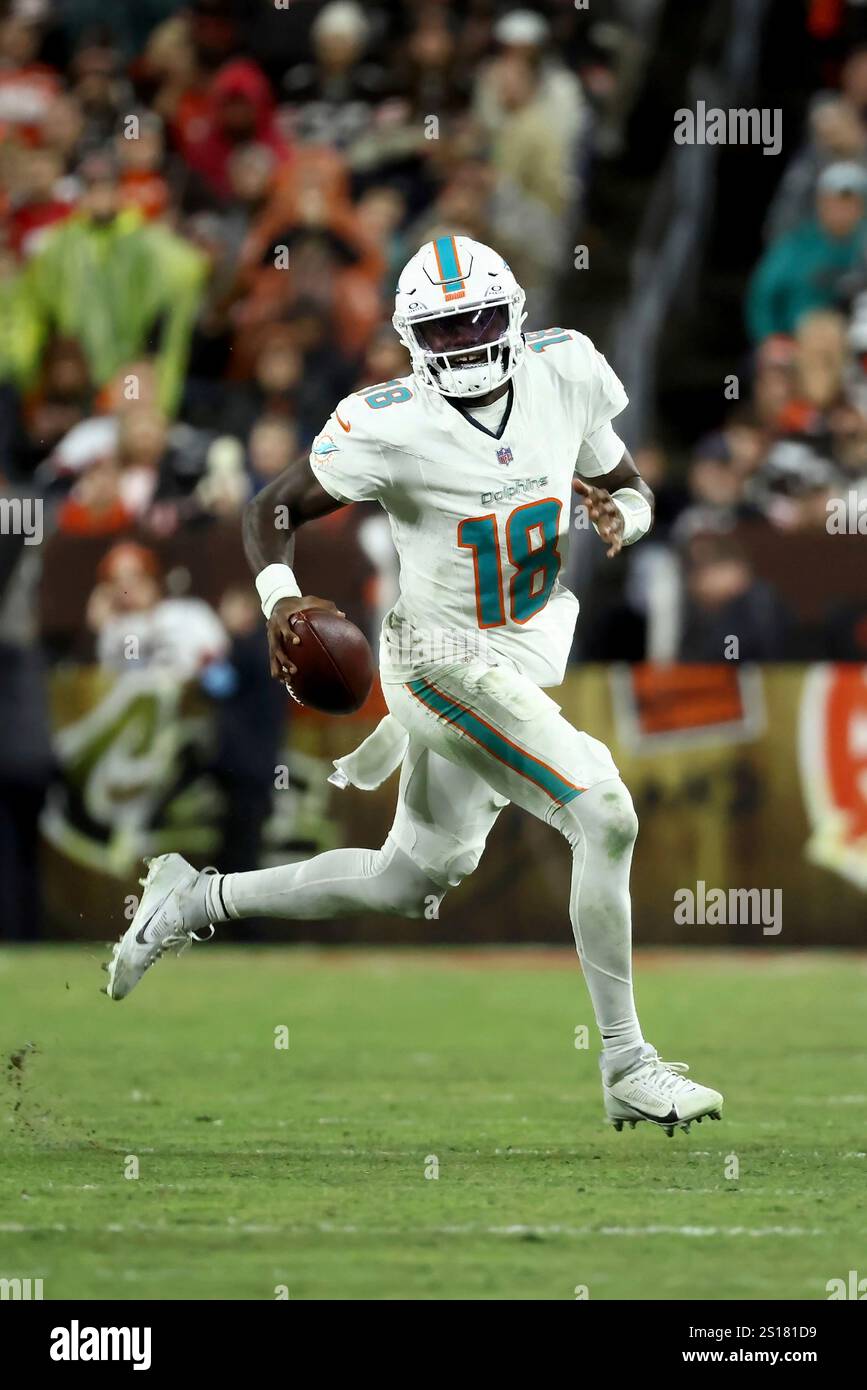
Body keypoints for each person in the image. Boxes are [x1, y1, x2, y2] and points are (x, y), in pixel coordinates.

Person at [105, 236, 724, 1136]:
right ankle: (627, 1061)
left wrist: (621, 514)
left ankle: (193, 898)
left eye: (477, 318)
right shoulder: (388, 421)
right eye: (444, 327)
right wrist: (281, 600)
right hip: (435, 660)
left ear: (512, 312)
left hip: (513, 656)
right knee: (605, 811)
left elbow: (626, 485)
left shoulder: (568, 371)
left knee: (407, 880)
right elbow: (269, 506)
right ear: (409, 340)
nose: (467, 340)